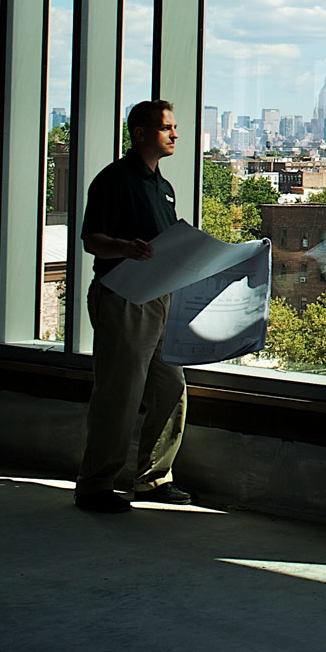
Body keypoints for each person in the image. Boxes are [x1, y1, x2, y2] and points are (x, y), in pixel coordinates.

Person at [73, 99, 191, 513]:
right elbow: (92, 240)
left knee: (170, 389)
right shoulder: (114, 180)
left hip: (159, 298)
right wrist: (125, 248)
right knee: (119, 393)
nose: (175, 134)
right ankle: (95, 484)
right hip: (124, 297)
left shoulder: (164, 187)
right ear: (140, 133)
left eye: (174, 127)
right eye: (166, 128)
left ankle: (153, 478)